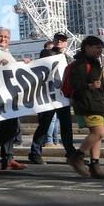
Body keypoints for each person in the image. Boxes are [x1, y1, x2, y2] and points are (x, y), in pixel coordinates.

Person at [64, 35, 104, 179]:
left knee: (97, 137)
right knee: (99, 132)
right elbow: (74, 85)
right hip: (87, 104)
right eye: (97, 47)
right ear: (87, 47)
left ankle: (95, 166)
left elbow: (98, 85)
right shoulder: (80, 64)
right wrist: (89, 86)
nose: (100, 50)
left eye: (101, 48)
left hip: (97, 103)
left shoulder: (96, 63)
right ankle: (76, 157)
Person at [29, 32, 76, 165]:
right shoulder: (47, 53)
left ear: (66, 43)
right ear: (54, 41)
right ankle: (35, 152)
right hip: (49, 96)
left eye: (62, 40)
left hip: (63, 96)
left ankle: (70, 153)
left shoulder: (67, 58)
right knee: (44, 125)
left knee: (66, 126)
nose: (60, 42)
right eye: (57, 40)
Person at [0, 27, 28, 170]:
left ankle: (7, 157)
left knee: (10, 127)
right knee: (7, 128)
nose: (3, 39)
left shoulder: (7, 53)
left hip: (10, 96)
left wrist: (23, 63)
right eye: (0, 36)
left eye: (6, 37)